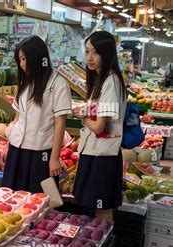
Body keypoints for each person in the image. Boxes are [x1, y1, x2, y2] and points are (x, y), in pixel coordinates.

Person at [2, 36, 71, 193]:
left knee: (40, 201)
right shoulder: (25, 82)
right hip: (16, 150)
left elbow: (60, 124)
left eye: (24, 59)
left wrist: (54, 158)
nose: (22, 64)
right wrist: (8, 145)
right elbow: (17, 117)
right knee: (11, 198)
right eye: (19, 60)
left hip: (40, 154)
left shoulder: (58, 84)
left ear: (37, 56)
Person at [72, 31, 127, 221]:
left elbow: (98, 127)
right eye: (87, 52)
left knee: (102, 210)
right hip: (96, 152)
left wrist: (82, 117)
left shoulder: (110, 81)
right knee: (99, 209)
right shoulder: (100, 81)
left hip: (102, 155)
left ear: (107, 53)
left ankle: (106, 245)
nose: (89, 57)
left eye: (95, 52)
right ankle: (103, 243)